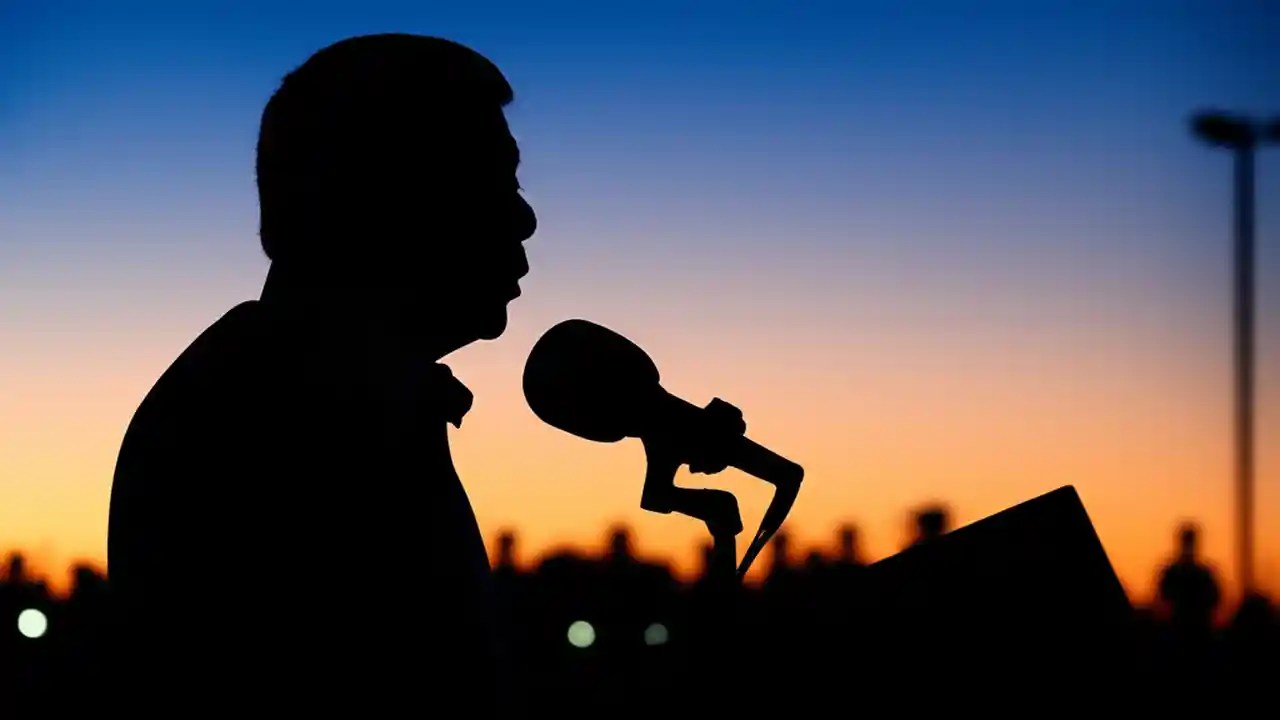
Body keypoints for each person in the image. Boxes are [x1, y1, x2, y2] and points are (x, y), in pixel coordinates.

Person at [106, 34, 535, 711]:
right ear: (384, 198)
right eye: (492, 181)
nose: (525, 218)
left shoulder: (319, 390)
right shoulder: (274, 418)